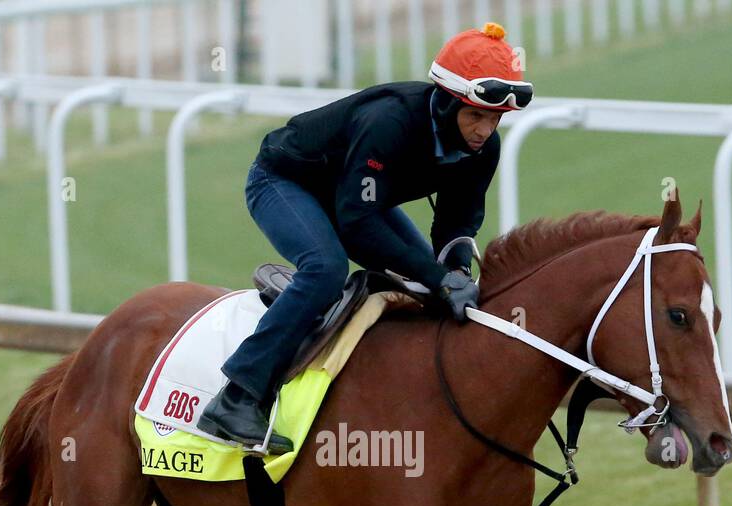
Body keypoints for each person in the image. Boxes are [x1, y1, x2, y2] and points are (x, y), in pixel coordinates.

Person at [196, 22, 534, 454]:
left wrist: (454, 274)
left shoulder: (483, 150)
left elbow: (455, 223)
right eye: (476, 116)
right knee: (326, 269)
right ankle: (237, 396)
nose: (484, 131)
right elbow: (357, 223)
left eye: (494, 119)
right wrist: (436, 275)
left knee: (429, 285)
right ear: (448, 105)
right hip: (283, 181)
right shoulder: (389, 122)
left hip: (353, 196)